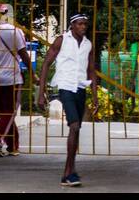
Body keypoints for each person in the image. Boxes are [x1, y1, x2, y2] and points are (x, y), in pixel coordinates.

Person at [38, 15, 97, 188]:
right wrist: (41, 93)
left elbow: (91, 70)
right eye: (80, 24)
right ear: (72, 25)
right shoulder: (61, 40)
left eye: (86, 24)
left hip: (80, 87)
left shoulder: (88, 44)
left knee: (77, 130)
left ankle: (68, 172)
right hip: (65, 86)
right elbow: (46, 64)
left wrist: (94, 96)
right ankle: (69, 172)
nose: (83, 27)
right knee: (74, 126)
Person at [0, 3, 29, 157]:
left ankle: (12, 146)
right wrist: (33, 73)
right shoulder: (16, 32)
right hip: (12, 78)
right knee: (10, 113)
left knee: (5, 113)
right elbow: (23, 54)